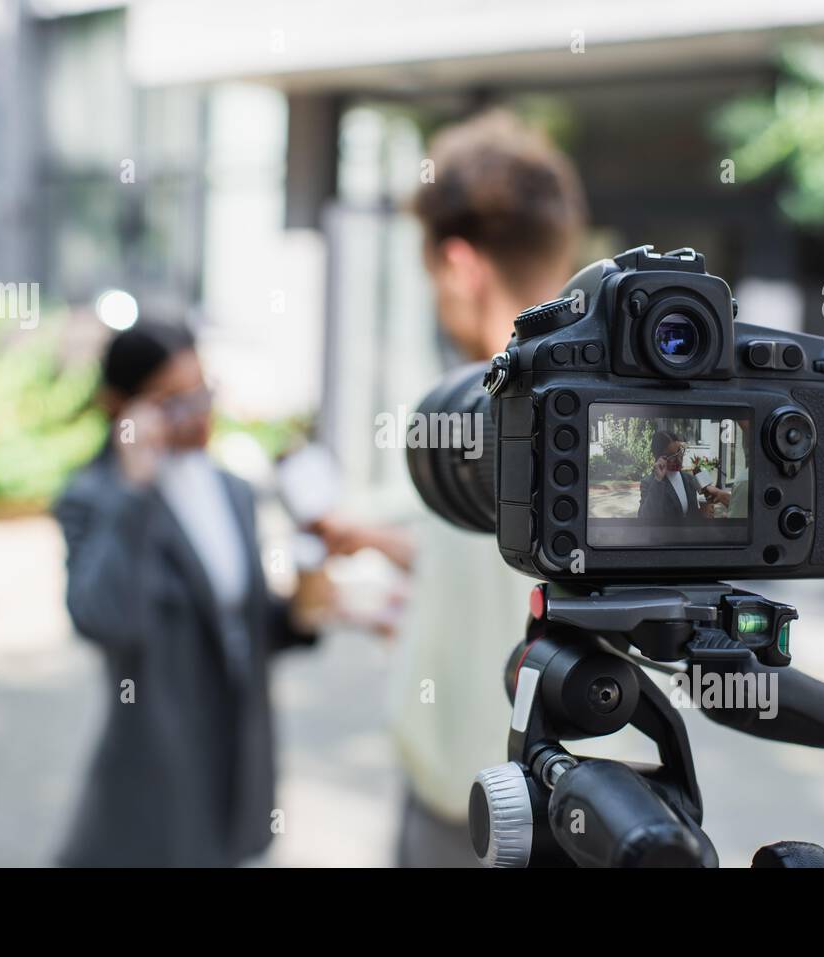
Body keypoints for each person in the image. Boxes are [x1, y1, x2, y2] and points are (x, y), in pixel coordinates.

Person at [319, 110, 587, 866]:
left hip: (473, 819)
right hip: (585, 812)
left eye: (432, 276)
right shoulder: (608, 417)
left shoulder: (472, 414)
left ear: (462, 266)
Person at [54, 320, 327, 867]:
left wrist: (310, 580)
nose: (198, 414)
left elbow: (249, 626)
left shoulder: (232, 491)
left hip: (240, 763)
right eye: (171, 401)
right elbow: (105, 619)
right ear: (119, 406)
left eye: (202, 392)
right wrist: (134, 488)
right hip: (156, 774)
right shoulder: (95, 499)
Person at [638, 430, 704, 524]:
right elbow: (643, 518)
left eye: (679, 451)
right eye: (672, 456)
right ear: (659, 458)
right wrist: (658, 480)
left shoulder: (688, 478)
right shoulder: (650, 482)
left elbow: (692, 512)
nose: (679, 459)